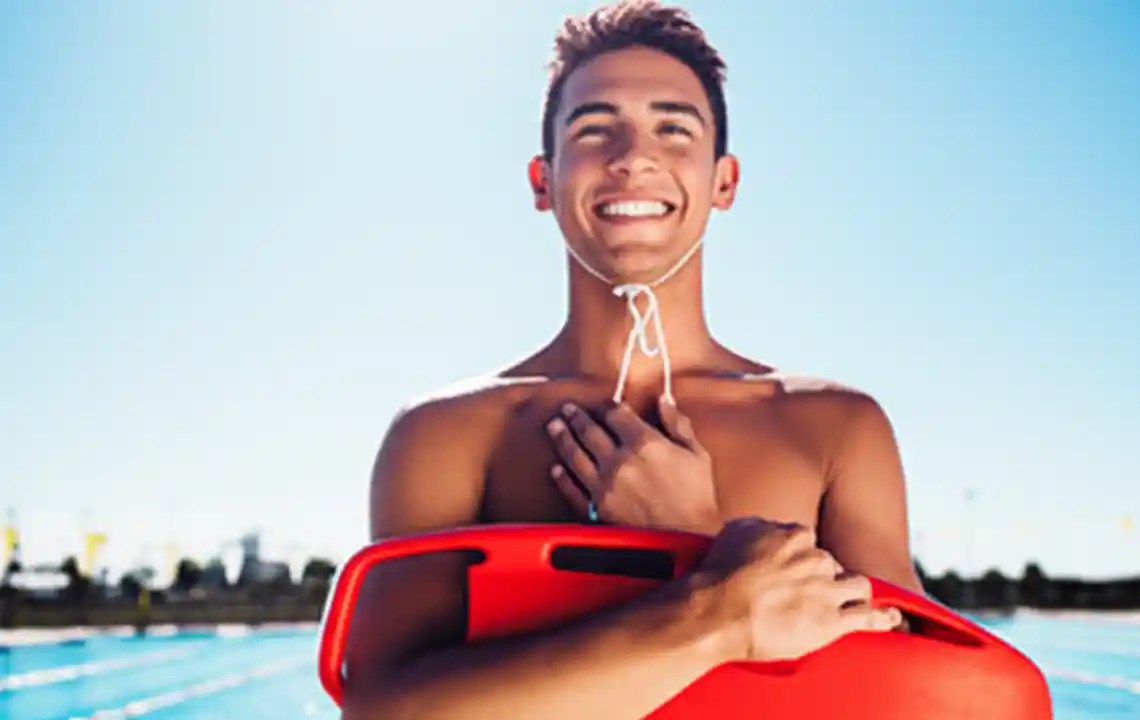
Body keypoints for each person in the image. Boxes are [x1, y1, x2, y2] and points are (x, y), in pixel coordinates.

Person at [341, 2, 924, 718]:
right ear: (543, 181)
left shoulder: (836, 428)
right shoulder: (448, 434)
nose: (633, 157)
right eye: (594, 129)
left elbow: (914, 697)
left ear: (724, 183)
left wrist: (701, 537)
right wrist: (716, 614)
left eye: (673, 129)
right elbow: (382, 712)